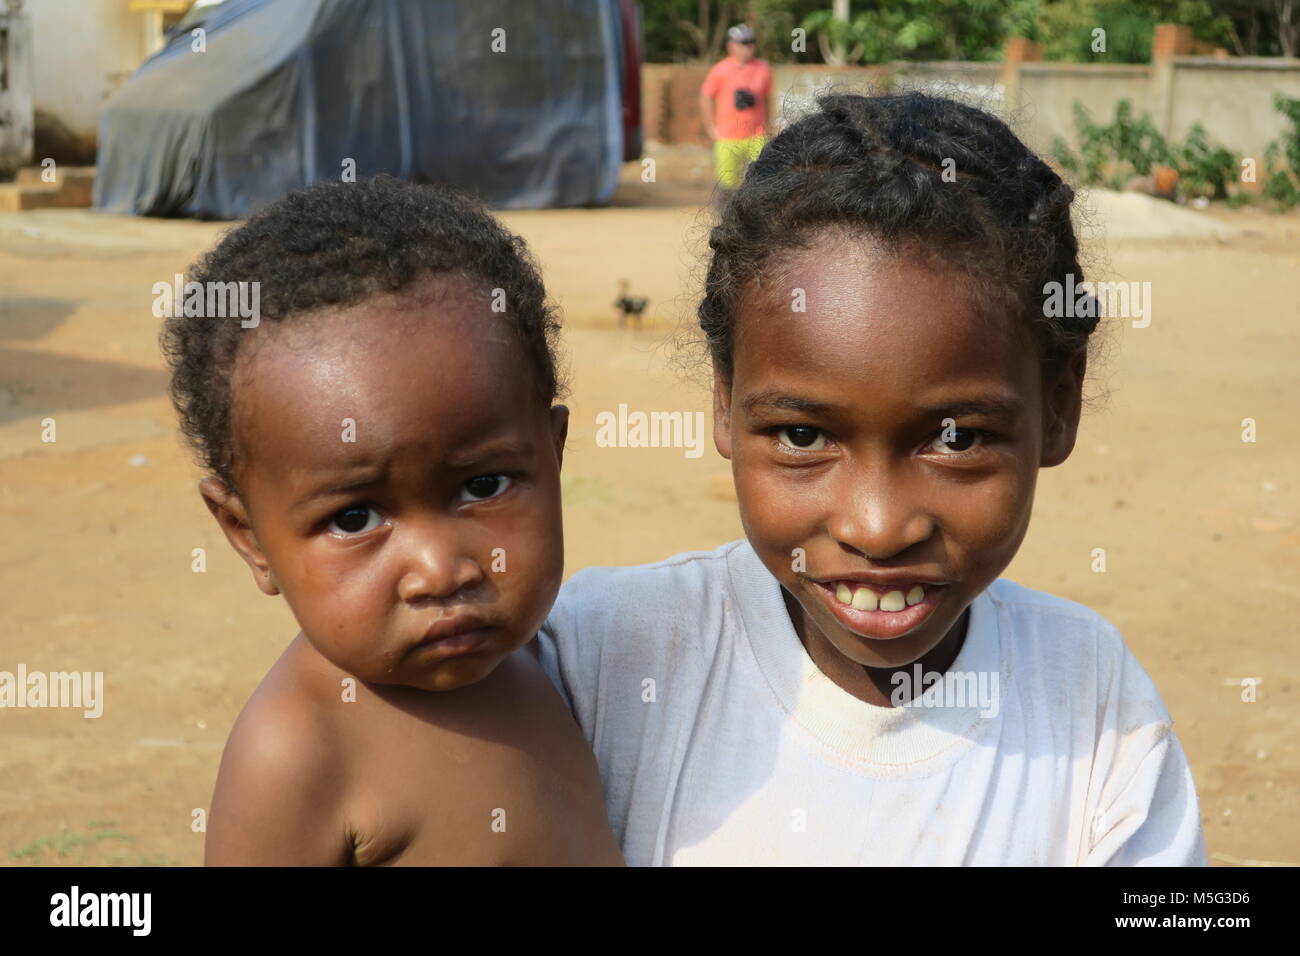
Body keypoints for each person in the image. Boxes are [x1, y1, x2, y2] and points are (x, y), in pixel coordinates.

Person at [534, 92, 1207, 866]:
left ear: (1058, 406)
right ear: (724, 399)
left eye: (956, 440)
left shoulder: (1095, 706)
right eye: (802, 436)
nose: (877, 527)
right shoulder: (599, 662)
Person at [163, 175, 623, 866]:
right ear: (248, 537)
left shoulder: (552, 665)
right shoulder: (297, 753)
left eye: (483, 484)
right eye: (354, 518)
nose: (441, 570)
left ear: (553, 455)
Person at [699, 23, 772, 206]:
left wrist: (768, 125)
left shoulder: (763, 69)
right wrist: (711, 127)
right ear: (731, 46)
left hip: (757, 134)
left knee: (761, 180)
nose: (748, 48)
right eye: (743, 43)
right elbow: (706, 97)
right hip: (728, 135)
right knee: (727, 184)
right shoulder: (720, 70)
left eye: (751, 43)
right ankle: (722, 220)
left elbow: (767, 98)